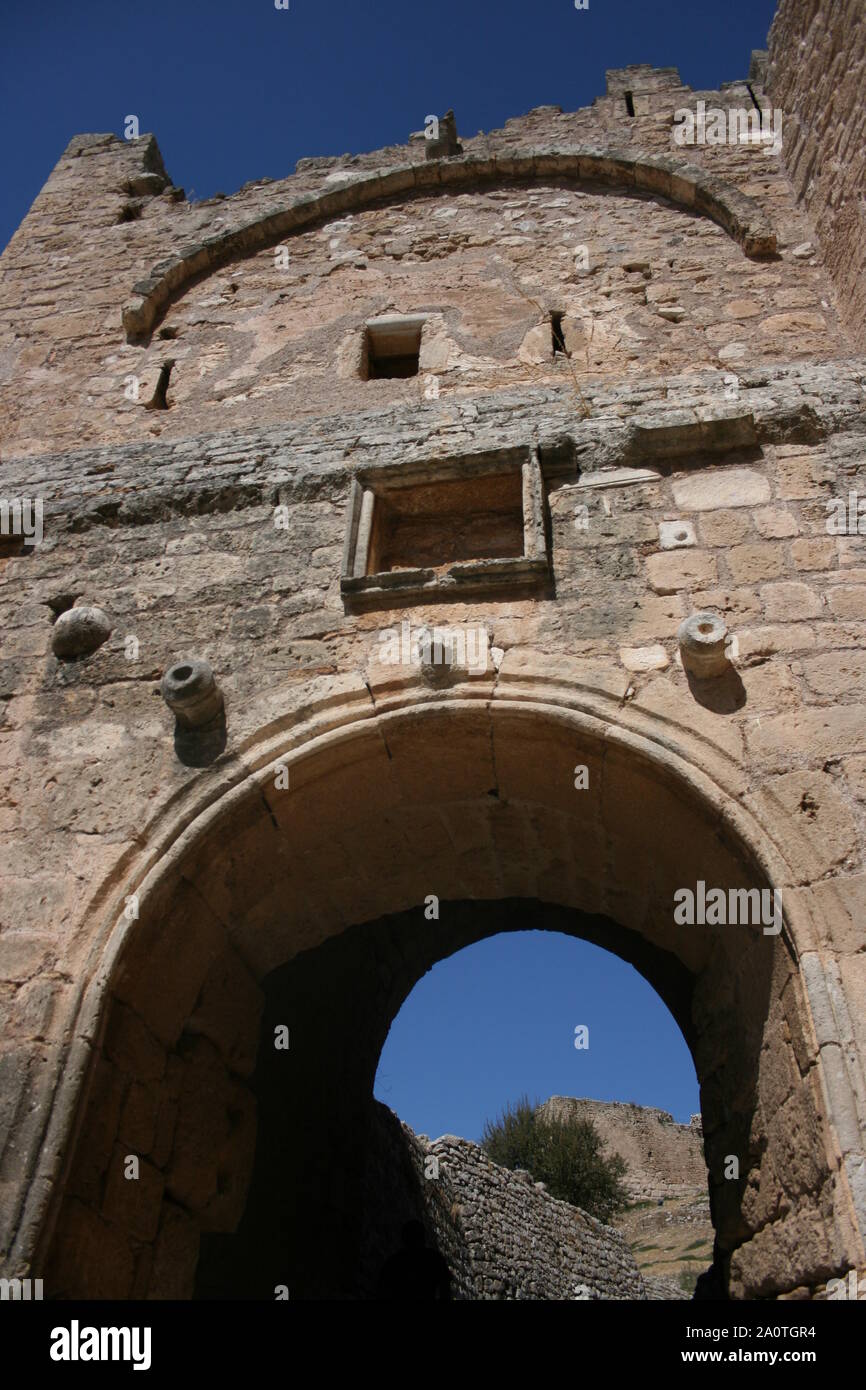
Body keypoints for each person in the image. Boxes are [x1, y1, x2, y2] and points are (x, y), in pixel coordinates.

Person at [378, 1219, 451, 1300]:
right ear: (423, 1237)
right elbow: (445, 1288)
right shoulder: (434, 1258)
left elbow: (383, 1290)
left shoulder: (394, 1263)